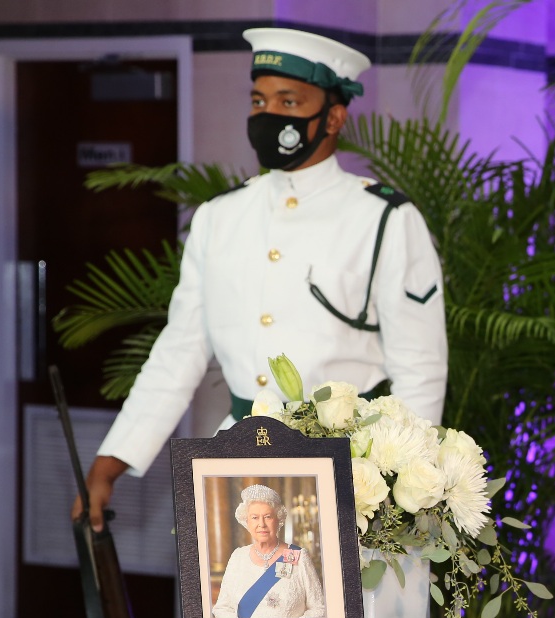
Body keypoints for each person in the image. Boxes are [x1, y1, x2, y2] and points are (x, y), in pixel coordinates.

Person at [74, 27, 448, 530]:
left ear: (334, 116)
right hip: (234, 468)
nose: (269, 114)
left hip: (352, 476)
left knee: (334, 610)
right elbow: (178, 354)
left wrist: (403, 490)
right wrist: (112, 460)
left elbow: (420, 370)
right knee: (233, 602)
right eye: (259, 99)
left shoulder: (384, 219)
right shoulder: (219, 217)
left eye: (289, 101)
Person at [212, 485, 325, 618]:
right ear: (246, 521)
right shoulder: (237, 557)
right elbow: (222, 608)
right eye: (254, 517)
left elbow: (319, 608)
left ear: (278, 520)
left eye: (268, 517)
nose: (261, 524)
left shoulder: (298, 556)